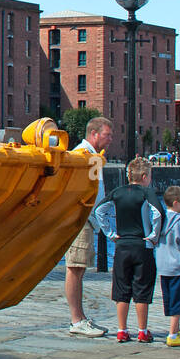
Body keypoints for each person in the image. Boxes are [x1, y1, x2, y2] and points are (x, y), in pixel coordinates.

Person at [93, 157, 165, 343]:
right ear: (143, 176)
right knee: (142, 288)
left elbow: (99, 210)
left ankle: (122, 330)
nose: (150, 179)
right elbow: (158, 213)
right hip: (142, 245)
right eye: (149, 175)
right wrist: (154, 236)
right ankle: (142, 331)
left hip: (122, 244)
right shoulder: (146, 193)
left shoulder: (118, 192)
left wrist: (110, 233)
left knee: (121, 288)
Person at [66, 116, 114, 337]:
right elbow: (91, 192)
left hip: (86, 217)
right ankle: (77, 320)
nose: (110, 139)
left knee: (80, 268)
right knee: (75, 268)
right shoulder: (86, 157)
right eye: (107, 134)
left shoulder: (92, 157)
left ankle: (81, 317)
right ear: (94, 134)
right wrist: (97, 220)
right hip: (81, 218)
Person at [155, 185, 180, 347]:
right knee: (179, 301)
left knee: (170, 300)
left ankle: (176, 331)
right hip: (179, 268)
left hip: (164, 267)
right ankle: (172, 334)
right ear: (177, 202)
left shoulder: (160, 220)